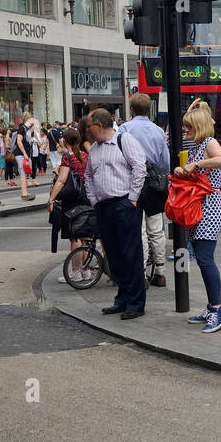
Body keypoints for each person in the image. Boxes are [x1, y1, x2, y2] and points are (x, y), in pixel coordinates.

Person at [86, 109, 147, 320]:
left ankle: (136, 303)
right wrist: (94, 200)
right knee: (114, 255)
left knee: (130, 254)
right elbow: (88, 176)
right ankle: (122, 299)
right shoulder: (94, 148)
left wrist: (132, 198)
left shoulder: (124, 140)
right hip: (104, 207)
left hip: (124, 204)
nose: (87, 130)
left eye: (89, 126)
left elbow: (140, 167)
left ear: (99, 126)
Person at [176, 100, 221, 333]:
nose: (185, 131)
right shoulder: (200, 144)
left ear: (198, 126)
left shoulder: (209, 142)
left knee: (205, 258)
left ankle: (218, 309)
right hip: (200, 206)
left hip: (210, 207)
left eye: (188, 127)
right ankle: (211, 306)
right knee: (202, 258)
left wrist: (195, 164)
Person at [118, 93, 171, 286]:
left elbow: (119, 156)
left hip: (132, 182)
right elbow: (165, 162)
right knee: (156, 230)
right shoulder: (157, 130)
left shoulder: (125, 128)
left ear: (131, 110)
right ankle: (160, 272)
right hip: (154, 184)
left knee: (138, 230)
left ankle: (140, 273)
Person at [47, 127, 90, 283]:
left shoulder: (67, 157)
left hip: (72, 200)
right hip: (85, 197)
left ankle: (75, 272)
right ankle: (85, 270)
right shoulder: (85, 155)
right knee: (84, 236)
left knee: (75, 236)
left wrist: (51, 198)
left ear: (65, 141)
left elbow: (61, 180)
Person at [12, 115, 35, 200]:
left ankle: (25, 193)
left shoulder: (26, 129)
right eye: (32, 119)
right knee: (23, 173)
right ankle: (24, 194)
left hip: (24, 154)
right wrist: (24, 153)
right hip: (21, 154)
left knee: (25, 173)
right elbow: (19, 141)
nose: (33, 120)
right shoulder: (22, 128)